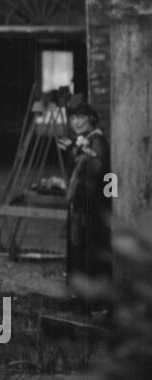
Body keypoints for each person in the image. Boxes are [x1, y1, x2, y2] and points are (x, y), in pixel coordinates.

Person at [57, 95, 112, 285]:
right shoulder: (84, 139)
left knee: (88, 251)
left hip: (92, 207)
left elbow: (98, 167)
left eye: (81, 117)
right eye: (73, 118)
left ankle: (92, 302)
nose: (76, 122)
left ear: (91, 118)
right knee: (79, 248)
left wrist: (77, 149)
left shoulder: (97, 139)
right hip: (81, 206)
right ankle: (80, 295)